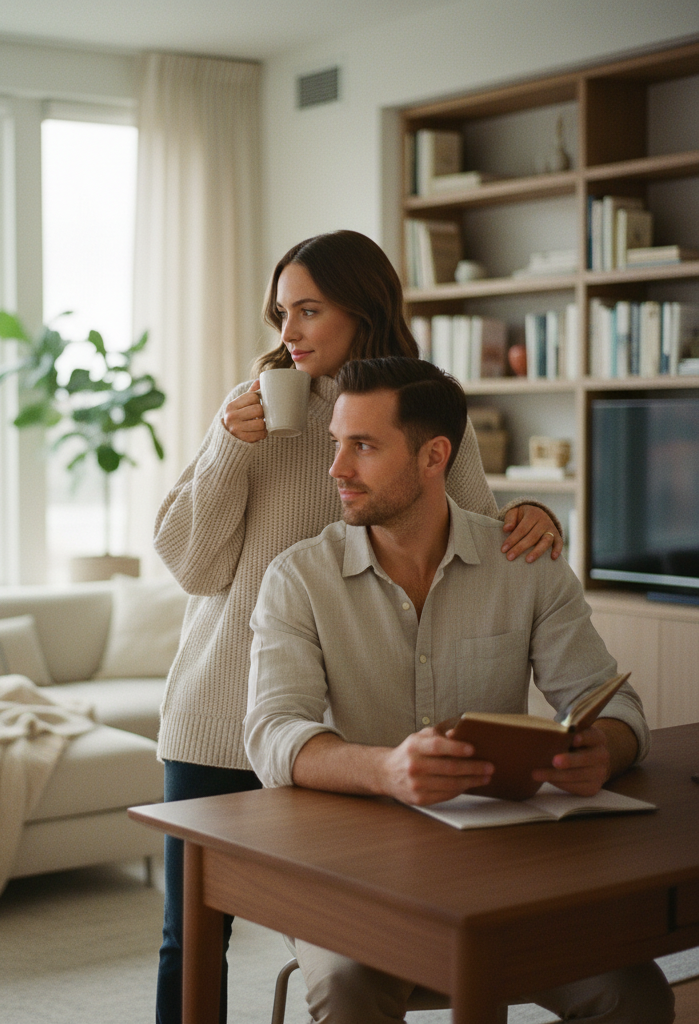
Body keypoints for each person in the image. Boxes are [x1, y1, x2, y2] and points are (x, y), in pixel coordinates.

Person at [152, 230, 565, 1024]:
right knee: (192, 938)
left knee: (355, 924)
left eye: (309, 310)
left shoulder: (422, 405)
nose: (288, 332)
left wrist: (535, 519)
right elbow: (192, 567)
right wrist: (225, 447)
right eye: (281, 312)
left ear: (363, 308)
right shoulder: (254, 409)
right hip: (214, 719)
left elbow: (471, 539)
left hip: (331, 736)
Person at [243, 357, 673, 1024]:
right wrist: (387, 769)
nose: (338, 469)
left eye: (363, 446)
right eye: (338, 443)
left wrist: (603, 750)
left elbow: (612, 704)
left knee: (634, 993)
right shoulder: (297, 578)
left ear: (433, 456)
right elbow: (274, 733)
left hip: (506, 867)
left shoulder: (526, 564)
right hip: (355, 874)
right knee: (350, 987)